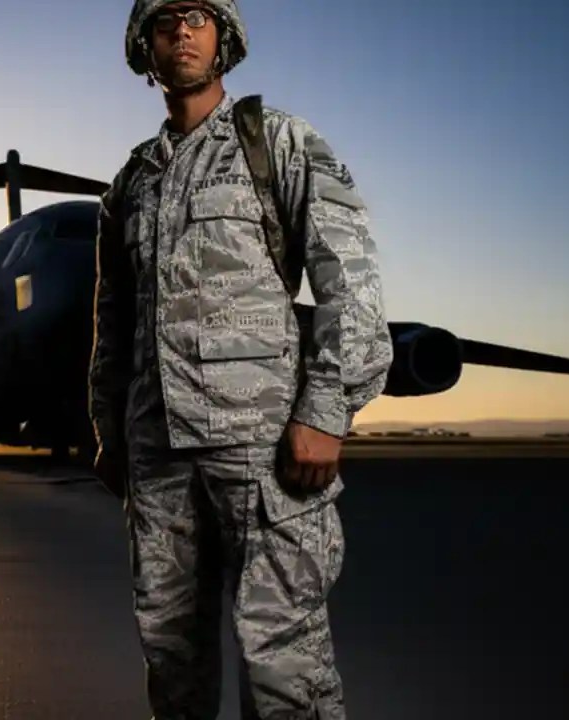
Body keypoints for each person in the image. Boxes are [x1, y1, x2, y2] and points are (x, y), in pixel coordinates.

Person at [87, 1, 393, 717]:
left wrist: (326, 407)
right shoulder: (131, 184)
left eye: (199, 16)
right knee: (172, 663)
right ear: (145, 46)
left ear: (224, 38)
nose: (183, 31)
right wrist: (108, 429)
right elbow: (112, 323)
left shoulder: (276, 141)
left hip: (261, 453)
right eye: (166, 20)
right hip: (158, 456)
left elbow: (350, 275)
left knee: (285, 666)